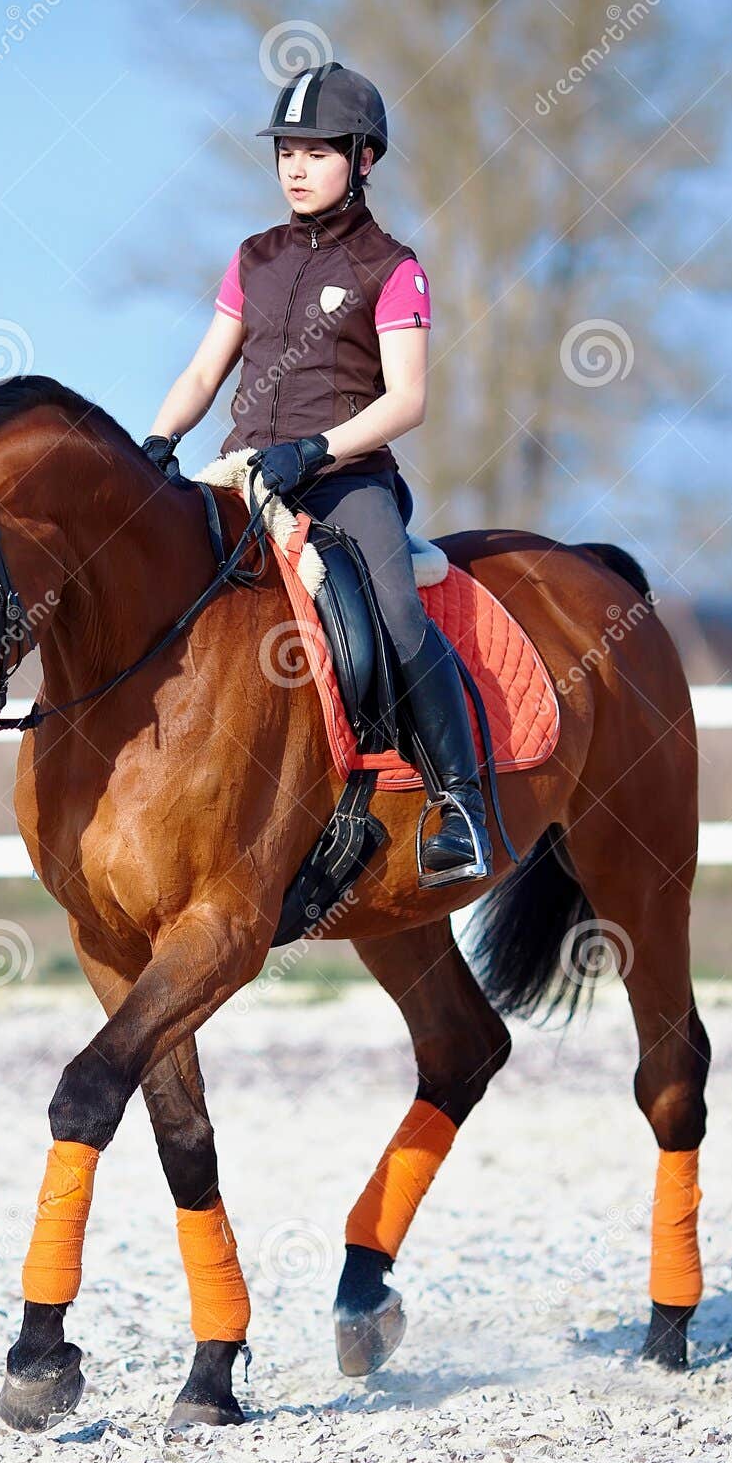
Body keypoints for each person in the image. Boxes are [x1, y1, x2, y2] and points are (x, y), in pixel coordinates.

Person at [141, 61, 490, 886]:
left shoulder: (393, 267)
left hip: (345, 482)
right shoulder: (252, 258)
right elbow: (204, 372)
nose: (296, 169)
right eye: (286, 152)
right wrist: (157, 439)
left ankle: (461, 805)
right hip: (246, 475)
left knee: (398, 614)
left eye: (318, 152)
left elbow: (408, 400)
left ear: (363, 159)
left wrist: (317, 450)